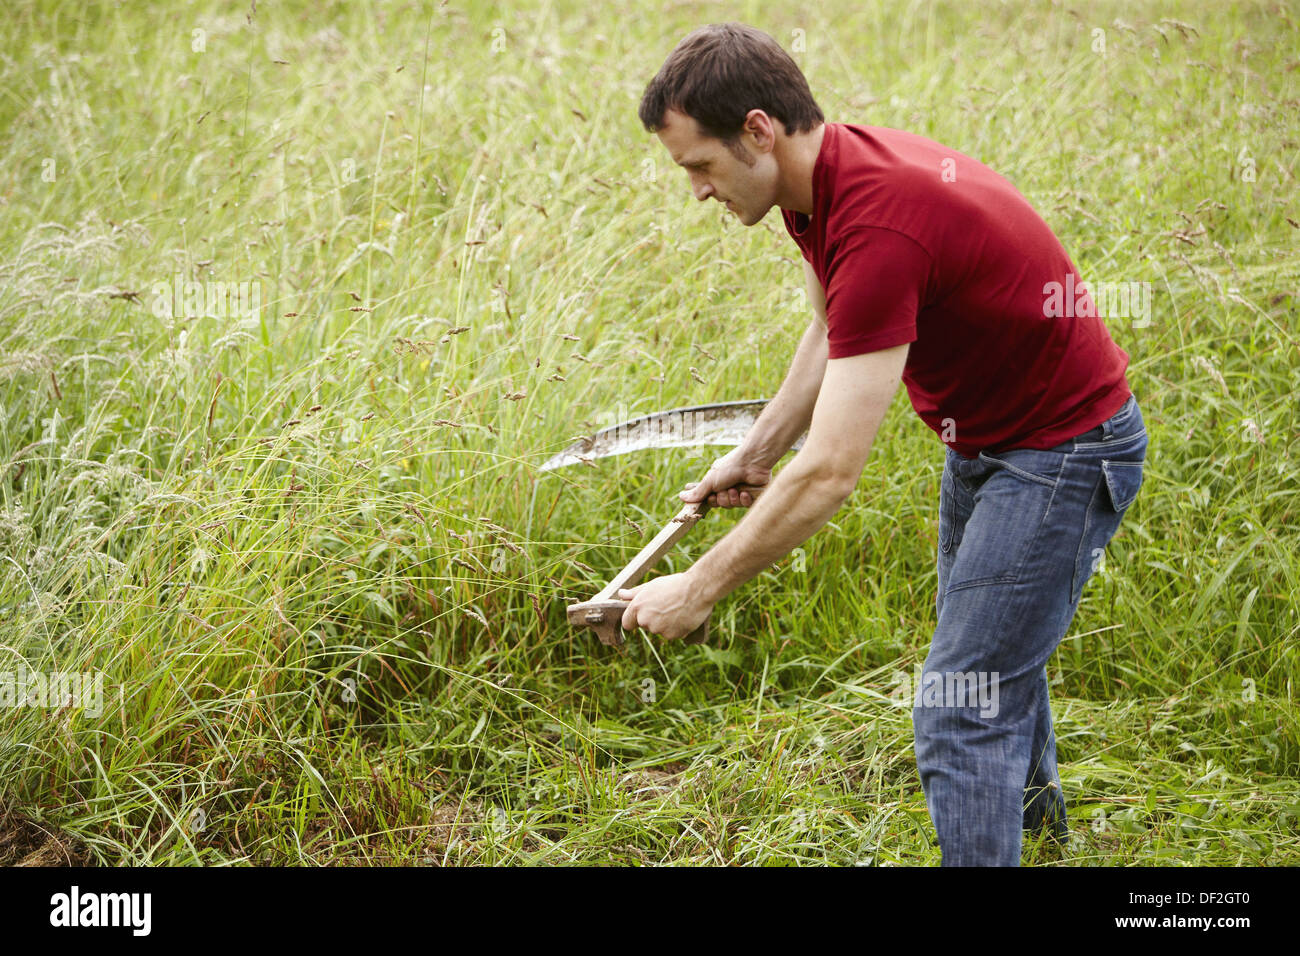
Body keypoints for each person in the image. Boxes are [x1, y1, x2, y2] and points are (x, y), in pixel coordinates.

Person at [617, 22, 1149, 866]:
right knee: (995, 656)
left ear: (758, 130)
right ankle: (1045, 845)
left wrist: (701, 587)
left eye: (699, 166)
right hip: (990, 439)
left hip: (1064, 449)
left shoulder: (878, 224)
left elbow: (829, 472)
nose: (697, 191)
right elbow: (833, 327)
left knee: (959, 703)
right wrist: (756, 453)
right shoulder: (817, 185)